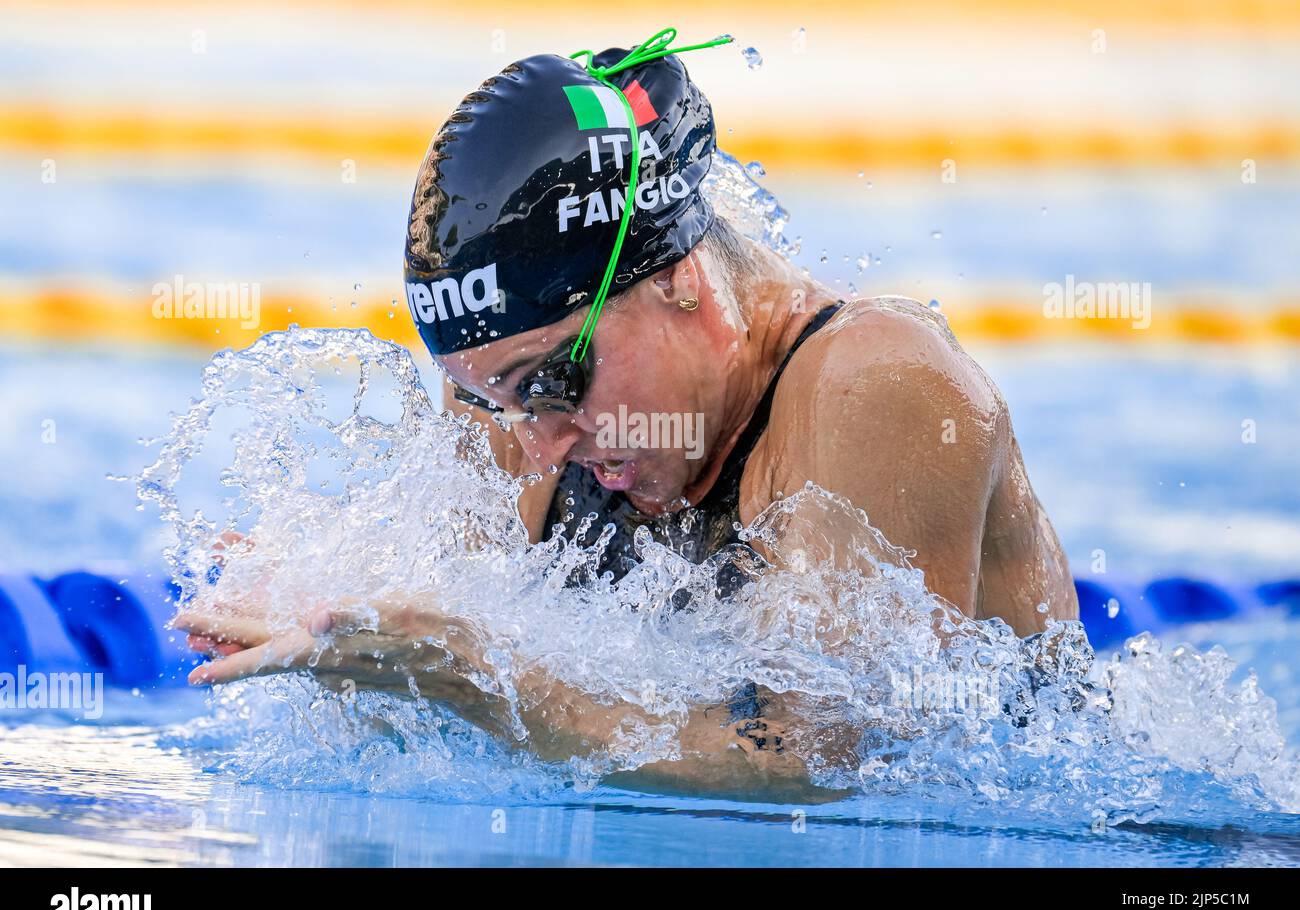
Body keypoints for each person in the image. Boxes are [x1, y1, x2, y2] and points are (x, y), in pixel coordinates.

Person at [176, 38, 1077, 800]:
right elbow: (431, 669)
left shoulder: (880, 388)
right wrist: (328, 640)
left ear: (678, 278)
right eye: (498, 398)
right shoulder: (521, 416)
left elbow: (824, 761)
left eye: (559, 378)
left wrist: (478, 680)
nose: (537, 441)